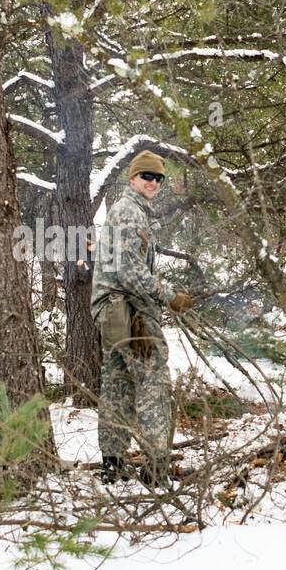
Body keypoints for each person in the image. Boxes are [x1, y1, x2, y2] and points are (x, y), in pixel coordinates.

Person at [90, 150, 193, 484]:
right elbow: (129, 270)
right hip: (130, 312)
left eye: (158, 178)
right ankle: (155, 466)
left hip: (114, 311)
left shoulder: (130, 211)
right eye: (146, 176)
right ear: (132, 178)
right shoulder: (130, 213)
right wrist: (167, 296)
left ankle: (113, 462)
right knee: (153, 384)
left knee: (117, 384)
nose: (153, 182)